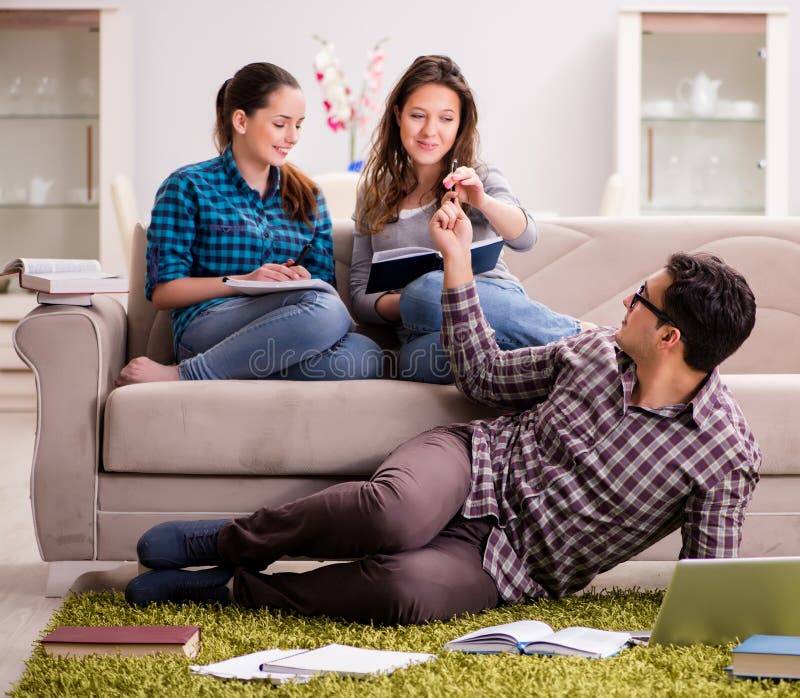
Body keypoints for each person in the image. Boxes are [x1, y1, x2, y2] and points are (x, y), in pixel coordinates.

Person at [125, 194, 761, 624]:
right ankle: (232, 539)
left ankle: (235, 588)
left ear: (670, 337)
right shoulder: (592, 351)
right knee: (392, 513)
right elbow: (483, 375)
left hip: (512, 561)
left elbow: (708, 589)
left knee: (402, 588)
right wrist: (457, 264)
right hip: (472, 463)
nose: (625, 302)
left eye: (640, 302)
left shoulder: (724, 454)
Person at [116, 62, 381, 384]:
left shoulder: (309, 196)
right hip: (208, 324)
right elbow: (163, 291)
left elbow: (324, 286)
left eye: (299, 125)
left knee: (366, 355)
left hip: (288, 327)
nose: (293, 137)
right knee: (326, 309)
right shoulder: (187, 186)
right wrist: (245, 280)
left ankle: (234, 367)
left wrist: (300, 276)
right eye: (281, 124)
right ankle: (188, 373)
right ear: (240, 120)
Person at [349, 55, 581, 384]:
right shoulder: (373, 192)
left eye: (446, 118)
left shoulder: (479, 175)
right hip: (421, 335)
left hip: (496, 309)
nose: (430, 131)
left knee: (434, 289)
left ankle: (579, 337)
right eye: (418, 116)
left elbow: (526, 238)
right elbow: (361, 298)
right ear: (398, 114)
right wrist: (425, 300)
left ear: (460, 124)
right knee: (417, 344)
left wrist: (481, 201)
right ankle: (571, 355)